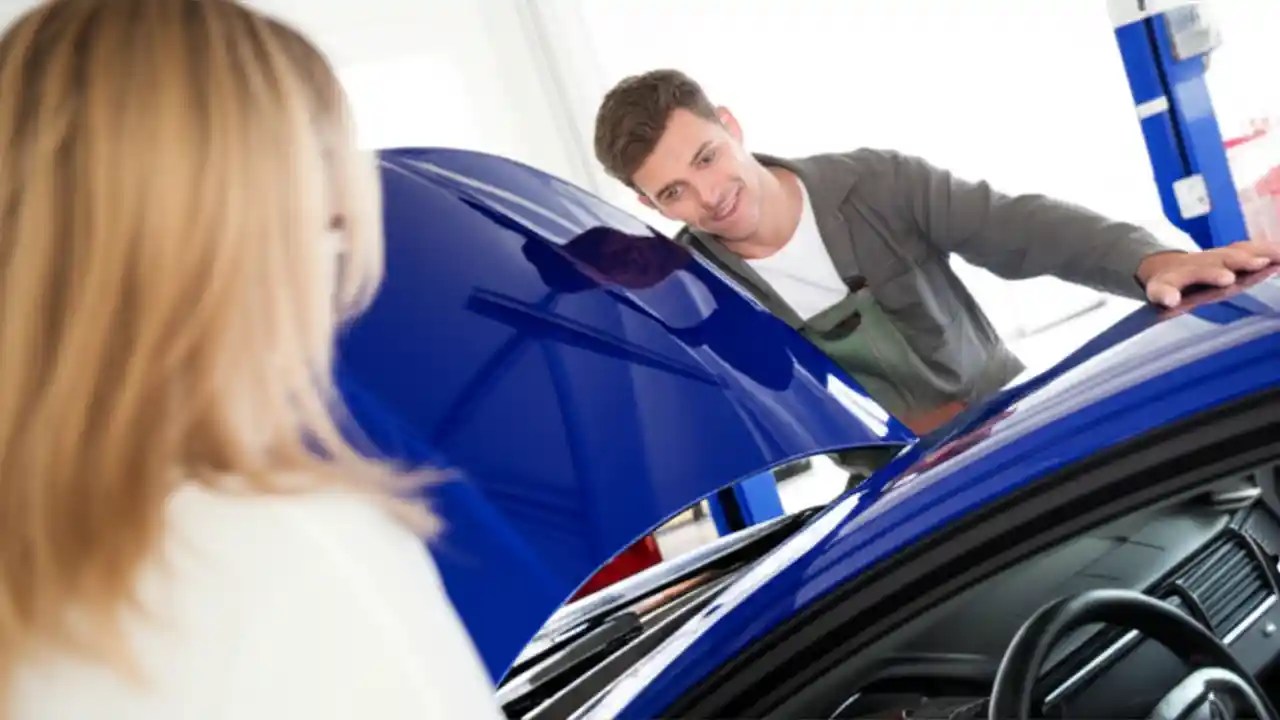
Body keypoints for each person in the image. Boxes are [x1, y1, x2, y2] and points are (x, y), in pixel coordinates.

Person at [0, 1, 501, 718]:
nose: (333, 291)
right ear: (233, 239)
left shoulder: (34, 583)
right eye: (327, 227)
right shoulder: (295, 553)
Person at [592, 69, 1280, 435]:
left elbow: (1020, 225)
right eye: (675, 192)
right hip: (896, 505)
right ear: (653, 208)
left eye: (709, 157)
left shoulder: (877, 183)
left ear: (732, 127)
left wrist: (1149, 261)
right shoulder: (692, 291)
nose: (709, 197)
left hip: (1017, 426)